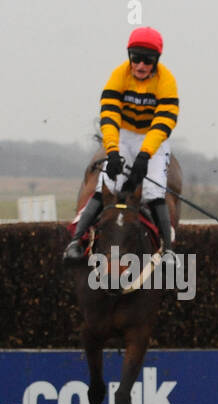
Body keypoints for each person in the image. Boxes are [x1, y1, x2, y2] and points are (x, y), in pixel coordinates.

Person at [64, 26, 180, 267]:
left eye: (147, 60)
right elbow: (109, 116)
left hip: (153, 136)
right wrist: (113, 151)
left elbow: (164, 121)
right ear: (129, 57)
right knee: (107, 184)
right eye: (136, 58)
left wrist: (144, 156)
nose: (140, 65)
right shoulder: (118, 75)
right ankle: (76, 241)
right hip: (124, 135)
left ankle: (168, 251)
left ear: (156, 61)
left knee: (152, 190)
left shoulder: (166, 81)